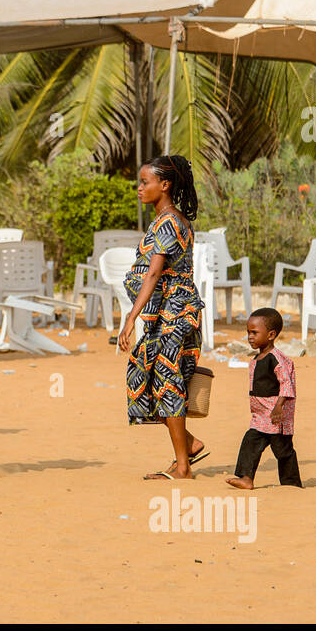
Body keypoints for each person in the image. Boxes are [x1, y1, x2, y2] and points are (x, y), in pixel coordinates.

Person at [119, 154, 207, 481]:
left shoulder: (170, 222)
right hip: (165, 314)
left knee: (167, 380)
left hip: (176, 311)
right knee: (141, 371)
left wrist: (130, 318)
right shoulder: (164, 220)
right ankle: (189, 444)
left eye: (145, 182)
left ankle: (183, 465)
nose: (140, 188)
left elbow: (154, 273)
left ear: (164, 185)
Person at [227, 307, 301, 489]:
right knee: (250, 443)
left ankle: (291, 484)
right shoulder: (258, 357)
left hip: (276, 417)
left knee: (283, 451)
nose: (250, 337)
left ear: (271, 335)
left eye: (254, 332)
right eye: (248, 332)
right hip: (261, 417)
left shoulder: (277, 359)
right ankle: (246, 478)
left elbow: (286, 383)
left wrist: (279, 407)